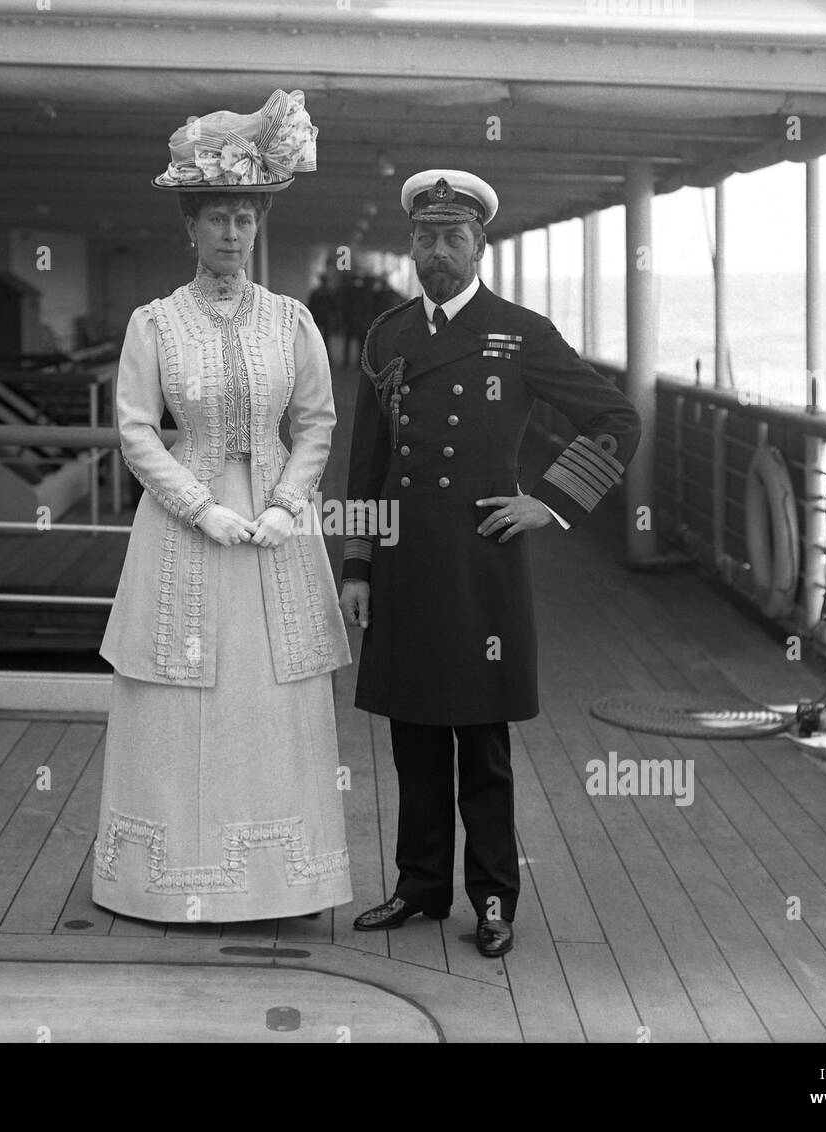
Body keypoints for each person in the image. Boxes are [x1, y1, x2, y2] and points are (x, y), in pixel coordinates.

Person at [339, 170, 641, 957]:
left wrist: (551, 500)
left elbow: (615, 415)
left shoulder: (521, 331)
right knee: (412, 735)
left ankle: (495, 897)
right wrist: (358, 565)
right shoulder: (387, 336)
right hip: (404, 562)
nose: (437, 251)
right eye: (425, 238)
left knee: (481, 741)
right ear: (411, 246)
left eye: (453, 237)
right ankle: (419, 884)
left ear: (481, 245)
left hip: (482, 561)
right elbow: (364, 459)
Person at [93, 90, 353, 923]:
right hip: (185, 529)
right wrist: (200, 507)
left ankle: (283, 878)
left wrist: (286, 504)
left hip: (277, 530)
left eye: (245, 218)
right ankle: (167, 883)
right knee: (180, 695)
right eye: (218, 219)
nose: (233, 233)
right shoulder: (155, 324)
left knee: (272, 695)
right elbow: (136, 432)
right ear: (191, 228)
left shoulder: (291, 321)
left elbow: (316, 422)